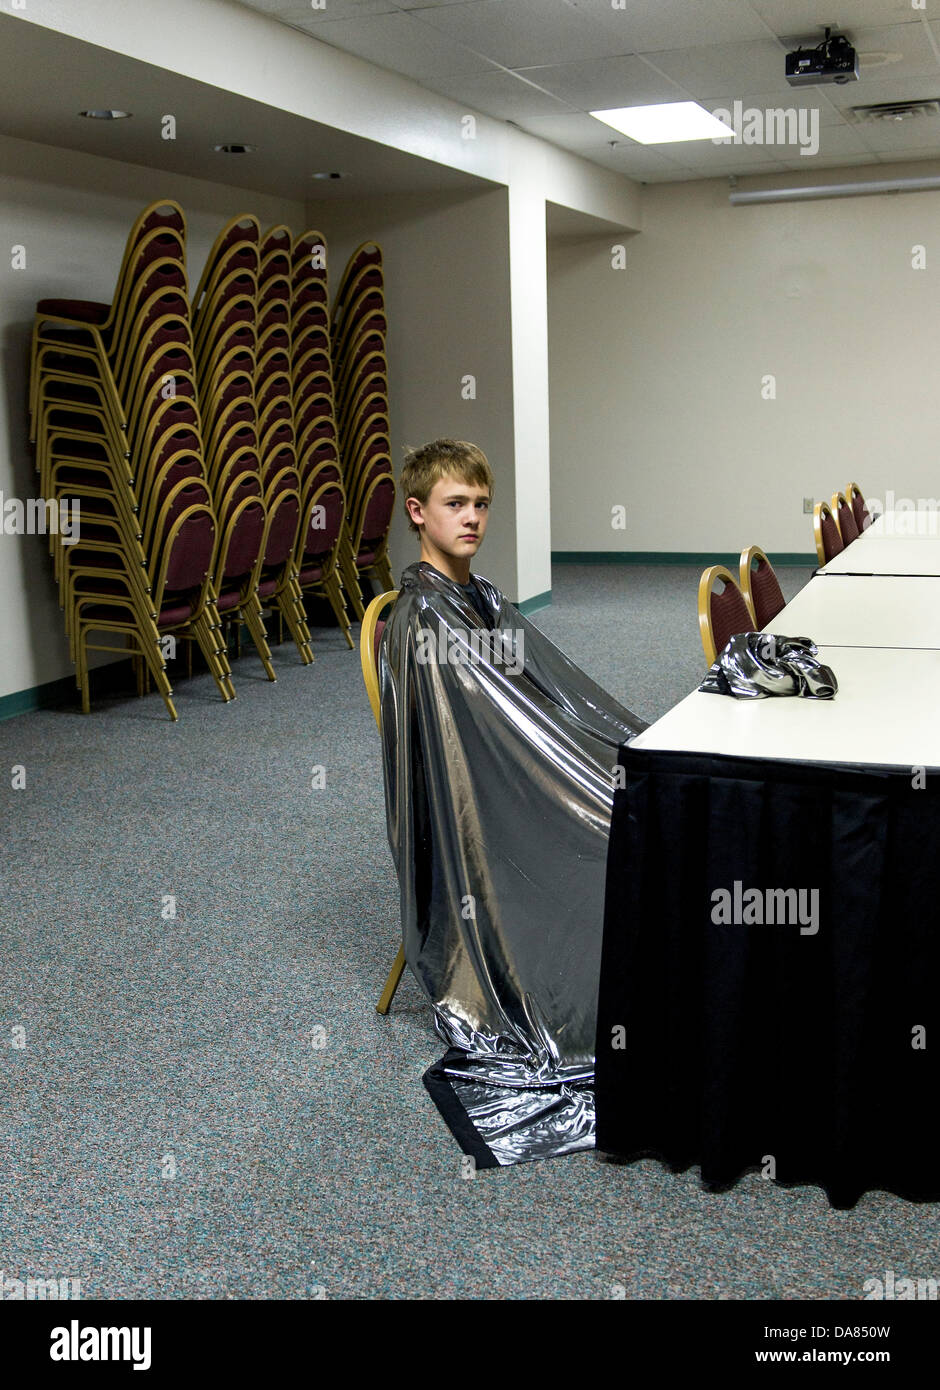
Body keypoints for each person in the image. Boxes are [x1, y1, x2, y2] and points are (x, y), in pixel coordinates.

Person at [378, 439, 646, 1167]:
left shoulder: (479, 599)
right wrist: (595, 781)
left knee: (647, 783)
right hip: (491, 806)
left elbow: (556, 697)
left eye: (481, 504)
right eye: (454, 504)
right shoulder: (426, 620)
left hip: (510, 775)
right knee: (627, 828)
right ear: (417, 512)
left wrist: (631, 748)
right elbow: (488, 744)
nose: (471, 519)